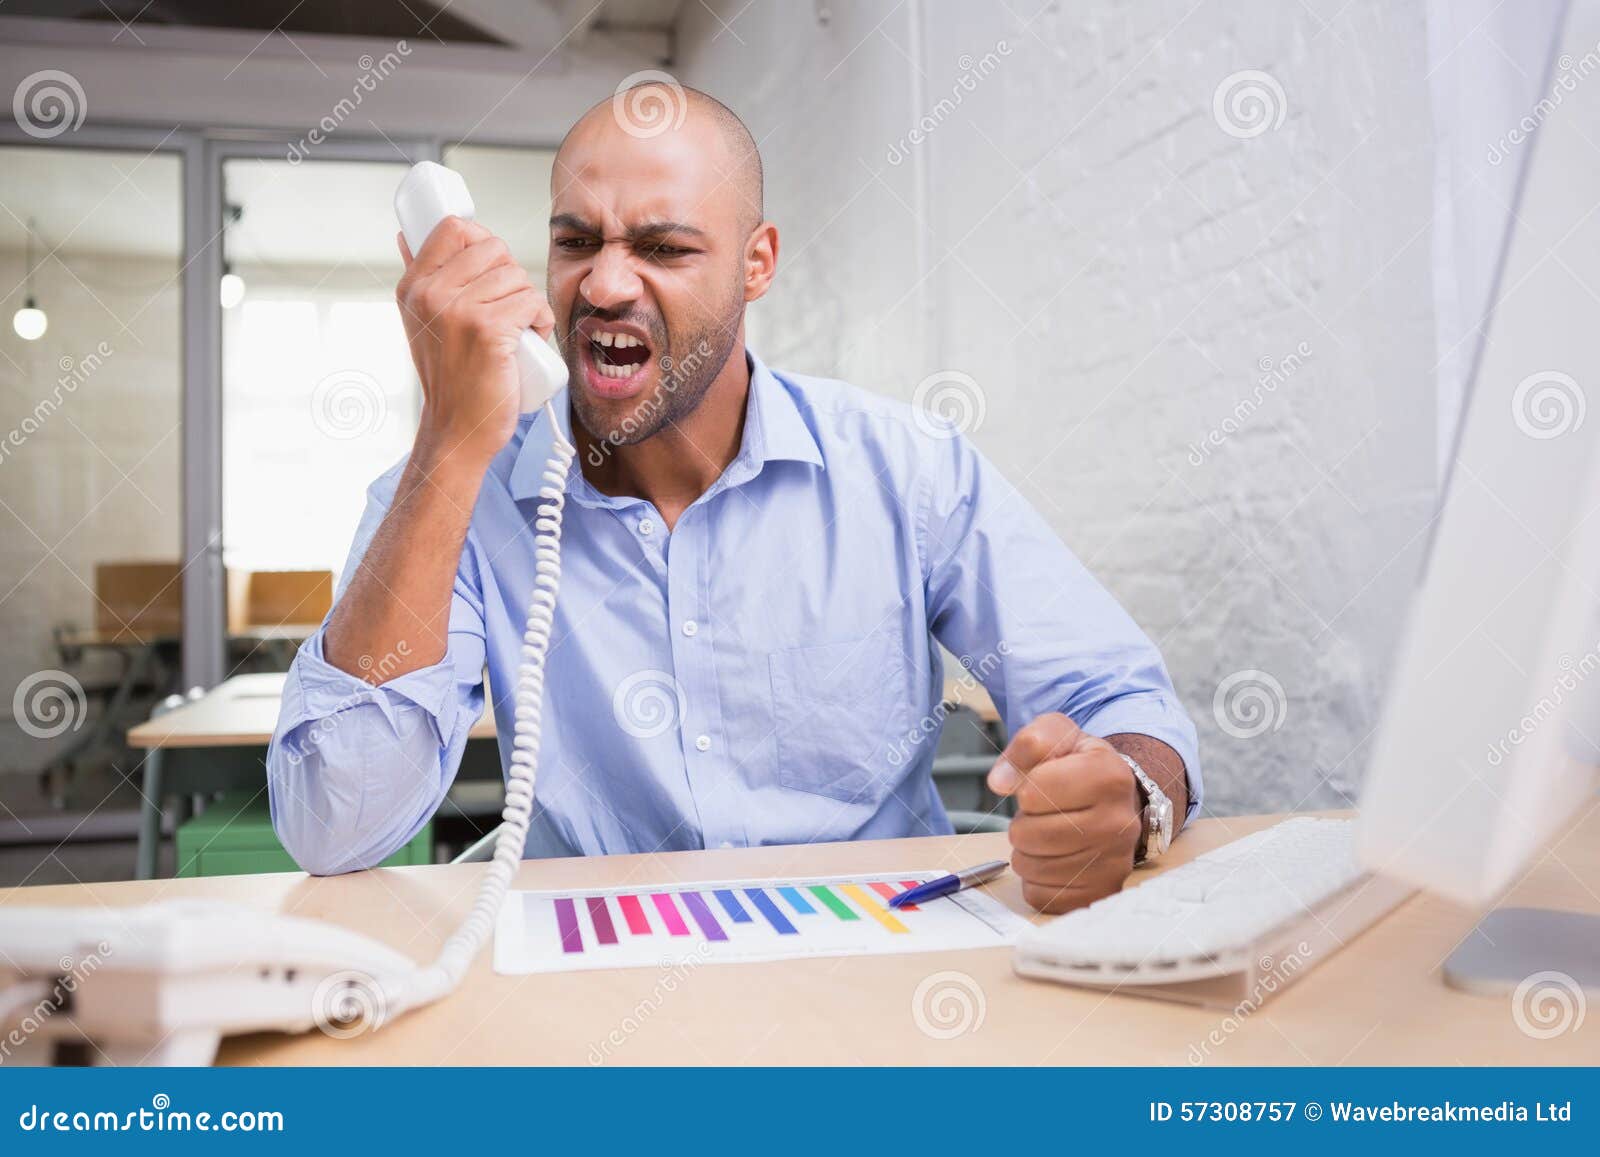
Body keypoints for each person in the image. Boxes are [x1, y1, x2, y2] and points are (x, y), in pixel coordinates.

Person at [267, 83, 1200, 913]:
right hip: (588, 992)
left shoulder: (905, 468)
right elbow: (334, 822)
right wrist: (448, 441)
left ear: (755, 264)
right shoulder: (452, 490)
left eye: (663, 246)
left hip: (875, 971)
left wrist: (1129, 795)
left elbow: (1121, 698)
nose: (604, 283)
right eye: (575, 241)